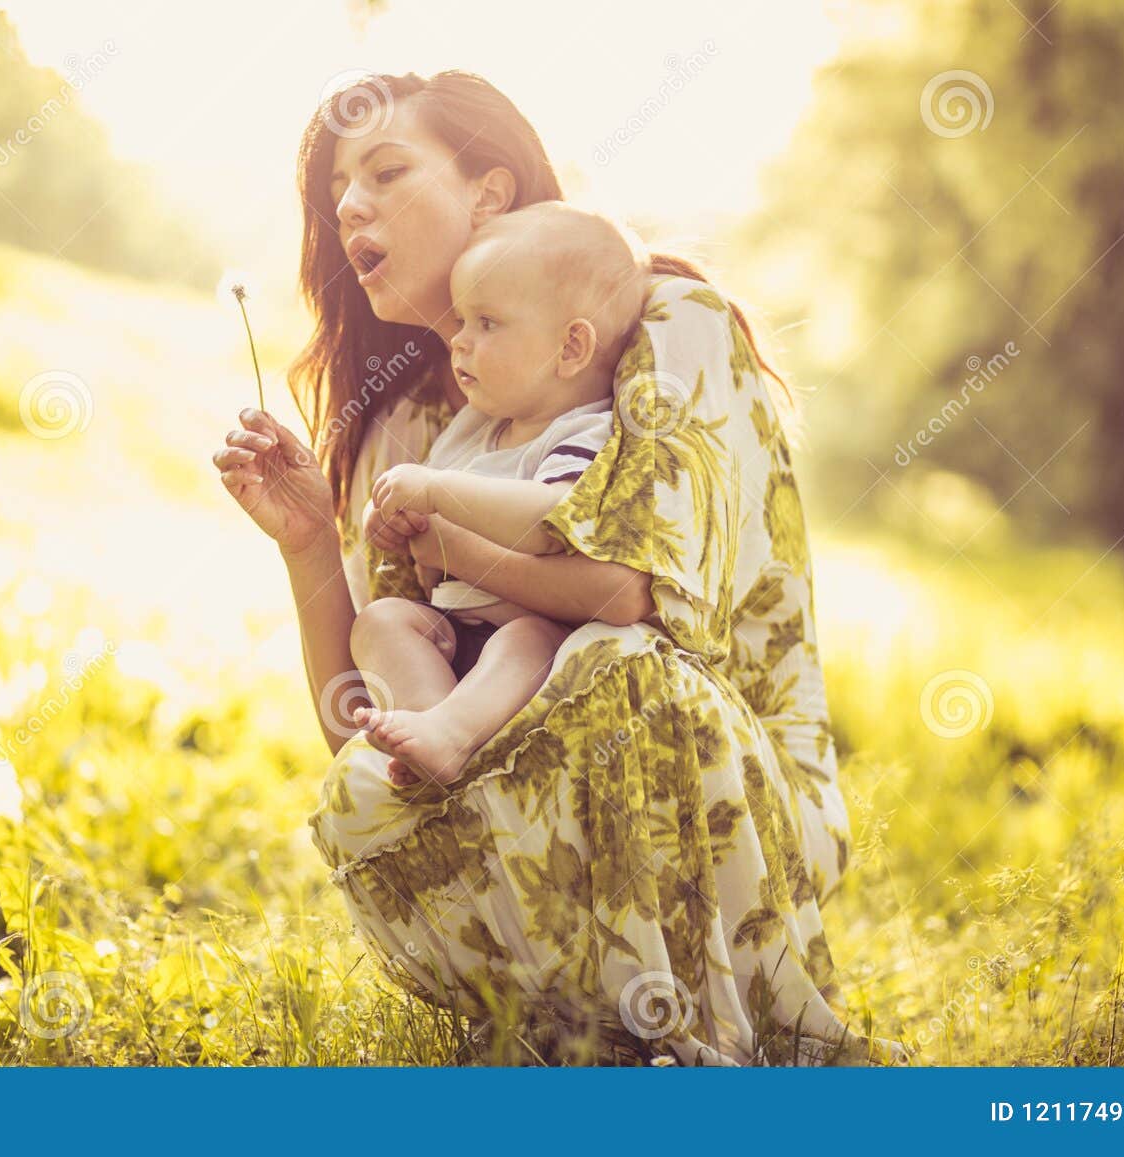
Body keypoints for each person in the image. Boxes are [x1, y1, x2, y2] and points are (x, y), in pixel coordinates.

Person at [211, 70, 903, 1065]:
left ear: (490, 191)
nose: (347, 206)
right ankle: (573, 1037)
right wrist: (313, 543)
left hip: (724, 786)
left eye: (385, 171)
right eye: (333, 196)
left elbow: (629, 593)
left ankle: (698, 1038)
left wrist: (444, 540)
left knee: (610, 662)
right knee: (394, 757)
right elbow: (357, 718)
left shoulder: (666, 330)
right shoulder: (408, 417)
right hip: (533, 775)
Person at [350, 202, 651, 787]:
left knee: (525, 639)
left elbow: (548, 519)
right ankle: (432, 733)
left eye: (486, 323)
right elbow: (421, 530)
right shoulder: (475, 427)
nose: (459, 342)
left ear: (570, 349)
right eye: (462, 321)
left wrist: (434, 492)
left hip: (531, 646)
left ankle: (454, 735)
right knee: (382, 620)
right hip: (454, 632)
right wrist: (389, 520)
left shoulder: (582, 432)